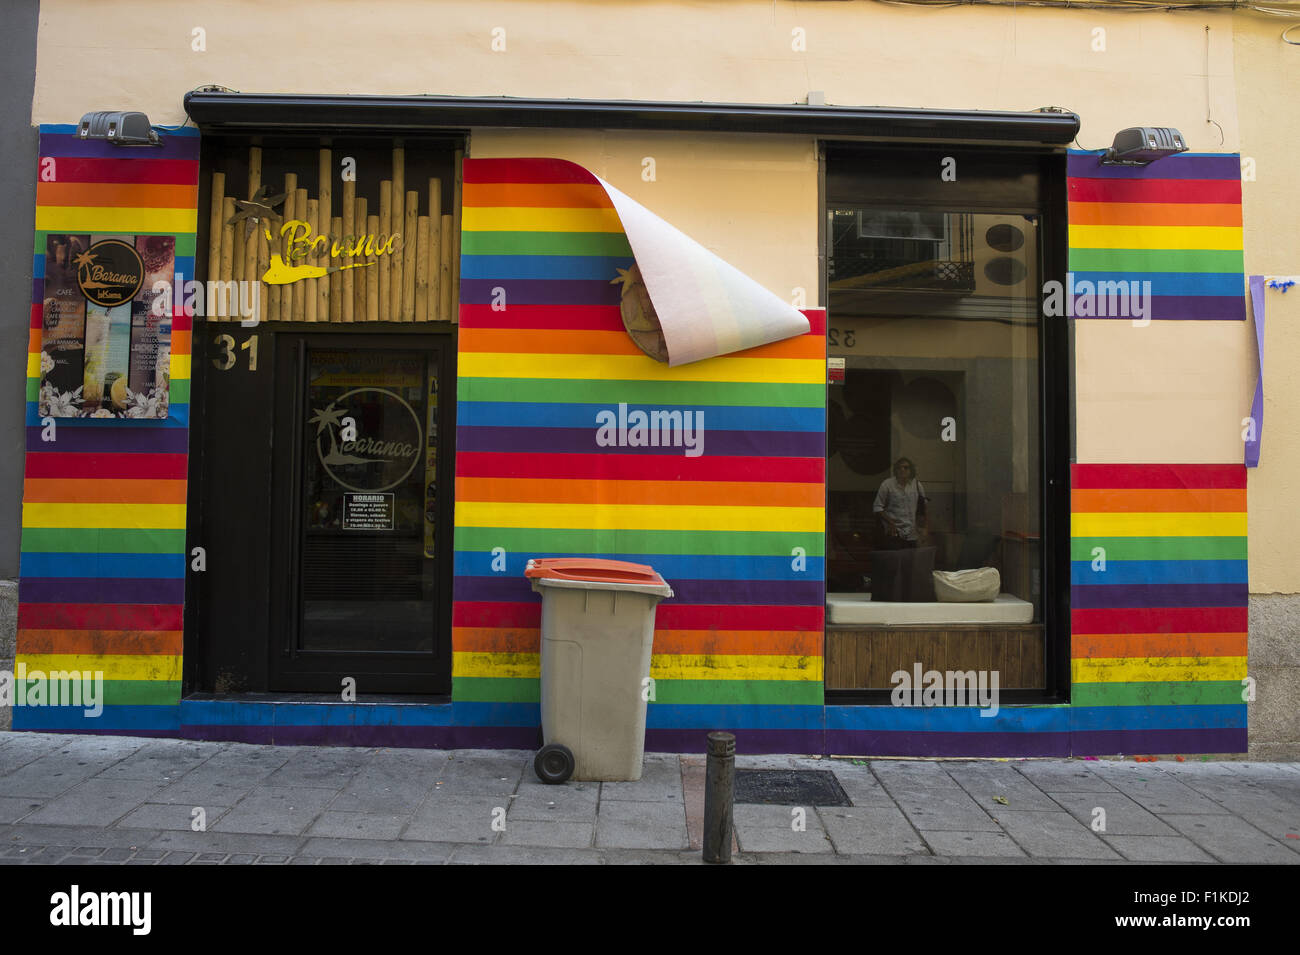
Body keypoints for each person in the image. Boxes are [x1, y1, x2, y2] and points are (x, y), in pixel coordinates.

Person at [873, 456, 928, 549]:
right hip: (894, 534)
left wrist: (924, 529)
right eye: (899, 467)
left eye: (906, 467)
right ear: (895, 470)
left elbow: (924, 508)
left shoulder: (917, 485)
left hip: (912, 534)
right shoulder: (887, 484)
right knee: (895, 561)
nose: (902, 470)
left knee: (910, 561)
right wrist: (891, 523)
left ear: (911, 470)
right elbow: (877, 507)